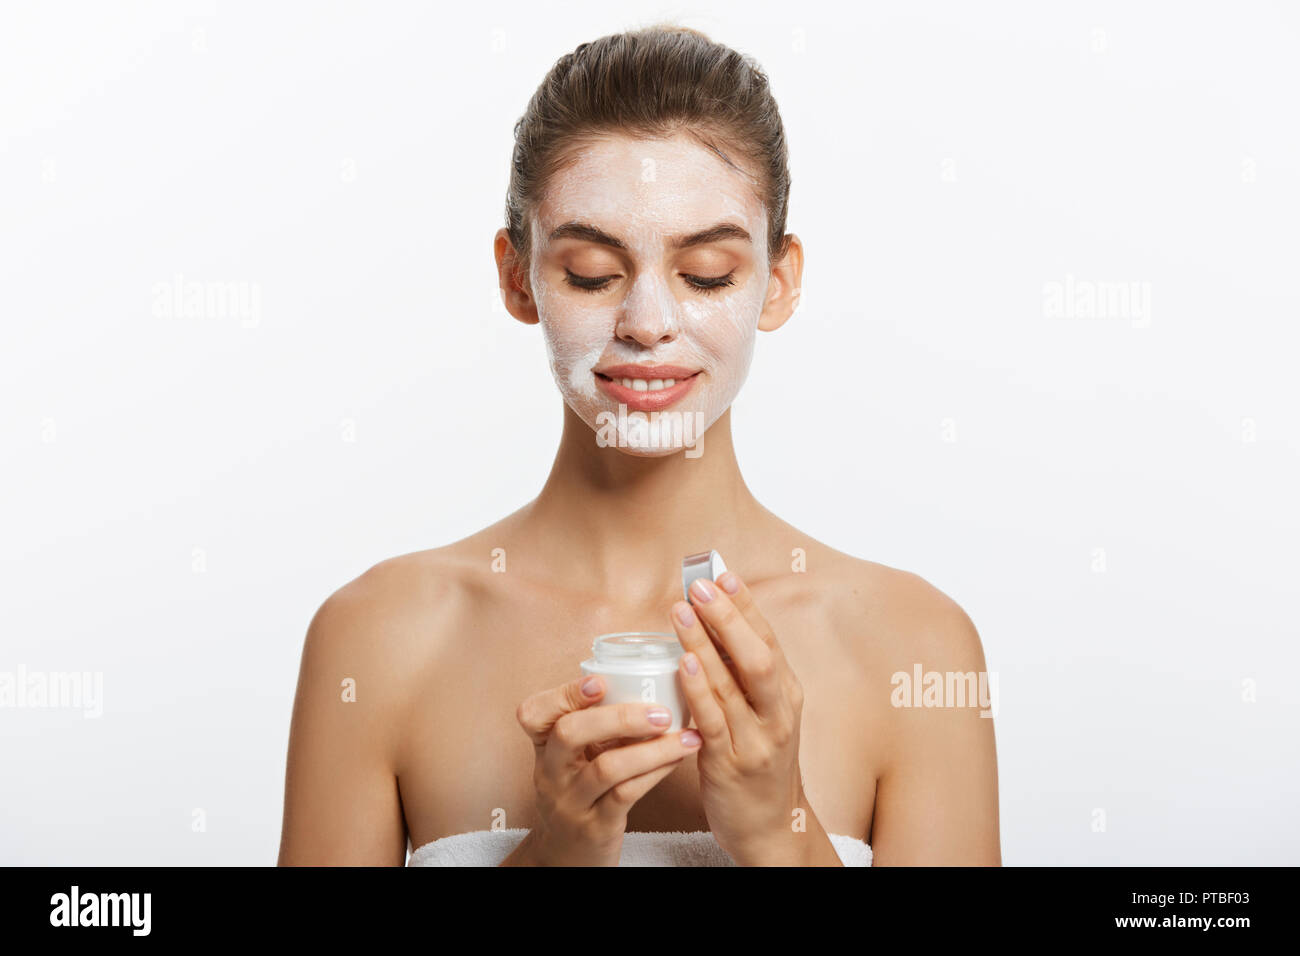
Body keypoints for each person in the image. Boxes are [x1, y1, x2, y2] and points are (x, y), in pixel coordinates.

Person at [277, 23, 1000, 866]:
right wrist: (554, 853)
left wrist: (778, 835)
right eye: (592, 272)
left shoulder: (917, 648)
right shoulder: (378, 639)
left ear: (780, 279)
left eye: (706, 275)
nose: (648, 325)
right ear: (518, 278)